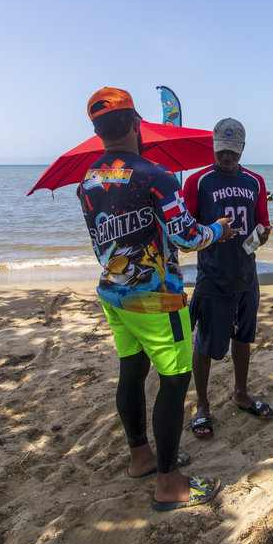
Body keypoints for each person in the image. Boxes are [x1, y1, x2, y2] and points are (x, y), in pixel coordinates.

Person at [77, 87, 234, 511]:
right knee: (175, 380)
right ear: (135, 124)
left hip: (113, 295)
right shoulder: (155, 176)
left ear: (97, 130)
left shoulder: (87, 180)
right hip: (157, 300)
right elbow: (186, 237)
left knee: (131, 371)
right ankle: (169, 484)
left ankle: (141, 456)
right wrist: (219, 228)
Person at [182, 118, 273, 438]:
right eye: (222, 150)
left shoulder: (256, 182)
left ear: (242, 149)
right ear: (214, 147)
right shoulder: (198, 182)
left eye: (233, 152)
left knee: (243, 337)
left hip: (246, 273)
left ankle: (241, 392)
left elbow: (261, 222)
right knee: (206, 342)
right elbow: (185, 231)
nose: (227, 157)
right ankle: (203, 405)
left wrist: (261, 235)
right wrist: (211, 234)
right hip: (212, 274)